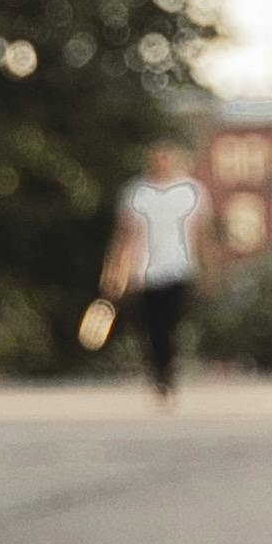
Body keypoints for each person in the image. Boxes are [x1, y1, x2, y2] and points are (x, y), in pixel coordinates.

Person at [98, 140, 205, 401]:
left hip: (180, 268)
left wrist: (207, 267)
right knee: (151, 327)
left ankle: (167, 372)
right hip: (145, 271)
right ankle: (158, 372)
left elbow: (200, 233)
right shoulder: (136, 192)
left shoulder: (190, 192)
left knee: (171, 325)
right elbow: (125, 235)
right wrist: (114, 270)